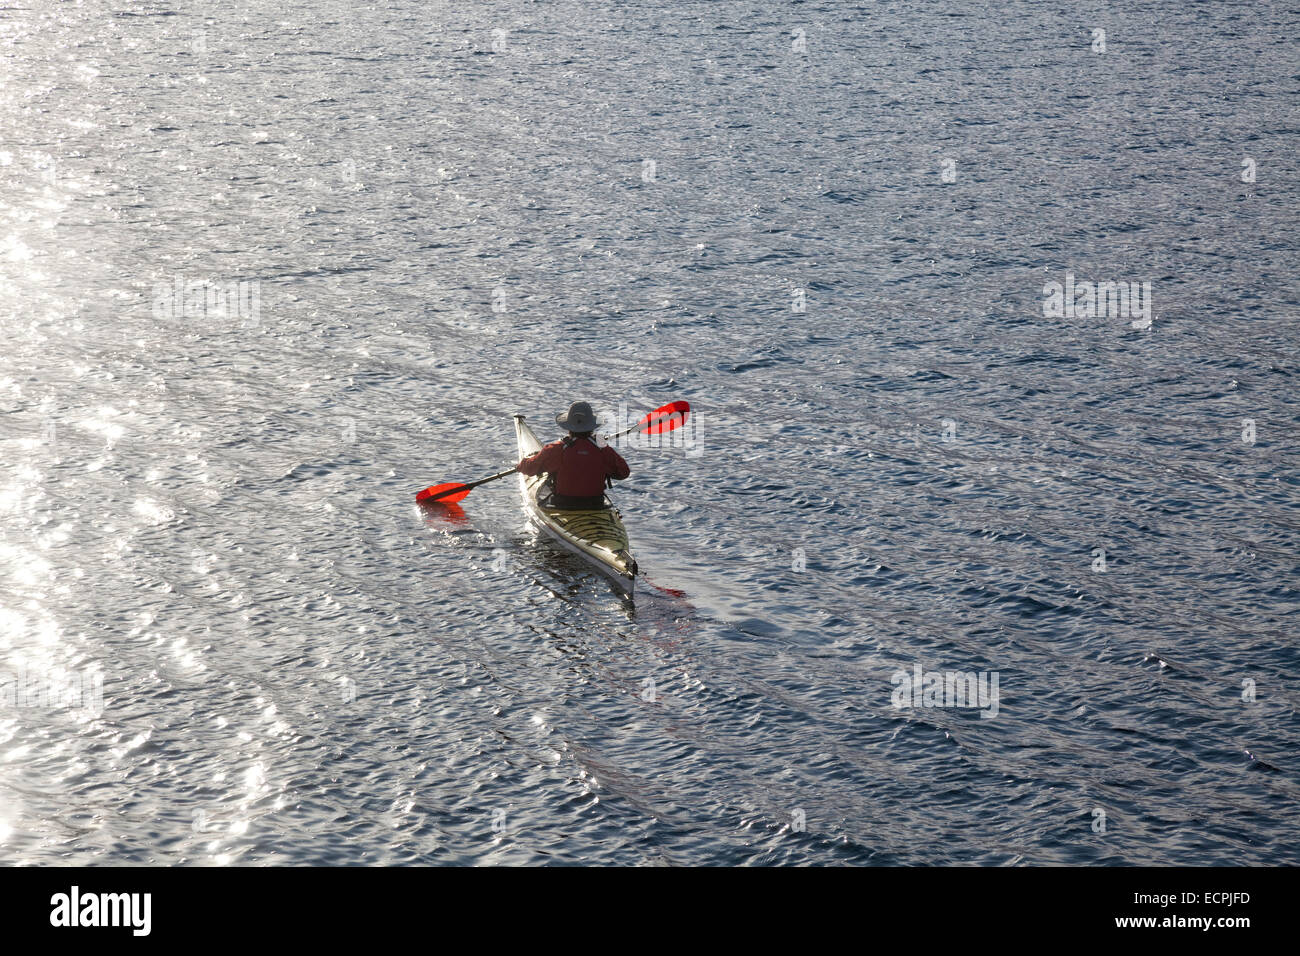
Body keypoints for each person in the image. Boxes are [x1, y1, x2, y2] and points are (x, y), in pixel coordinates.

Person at [516, 401, 630, 509]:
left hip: (563, 504)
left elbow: (530, 469)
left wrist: (520, 465)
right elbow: (623, 472)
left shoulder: (556, 448)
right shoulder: (602, 449)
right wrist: (600, 445)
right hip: (595, 504)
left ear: (568, 427)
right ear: (591, 427)